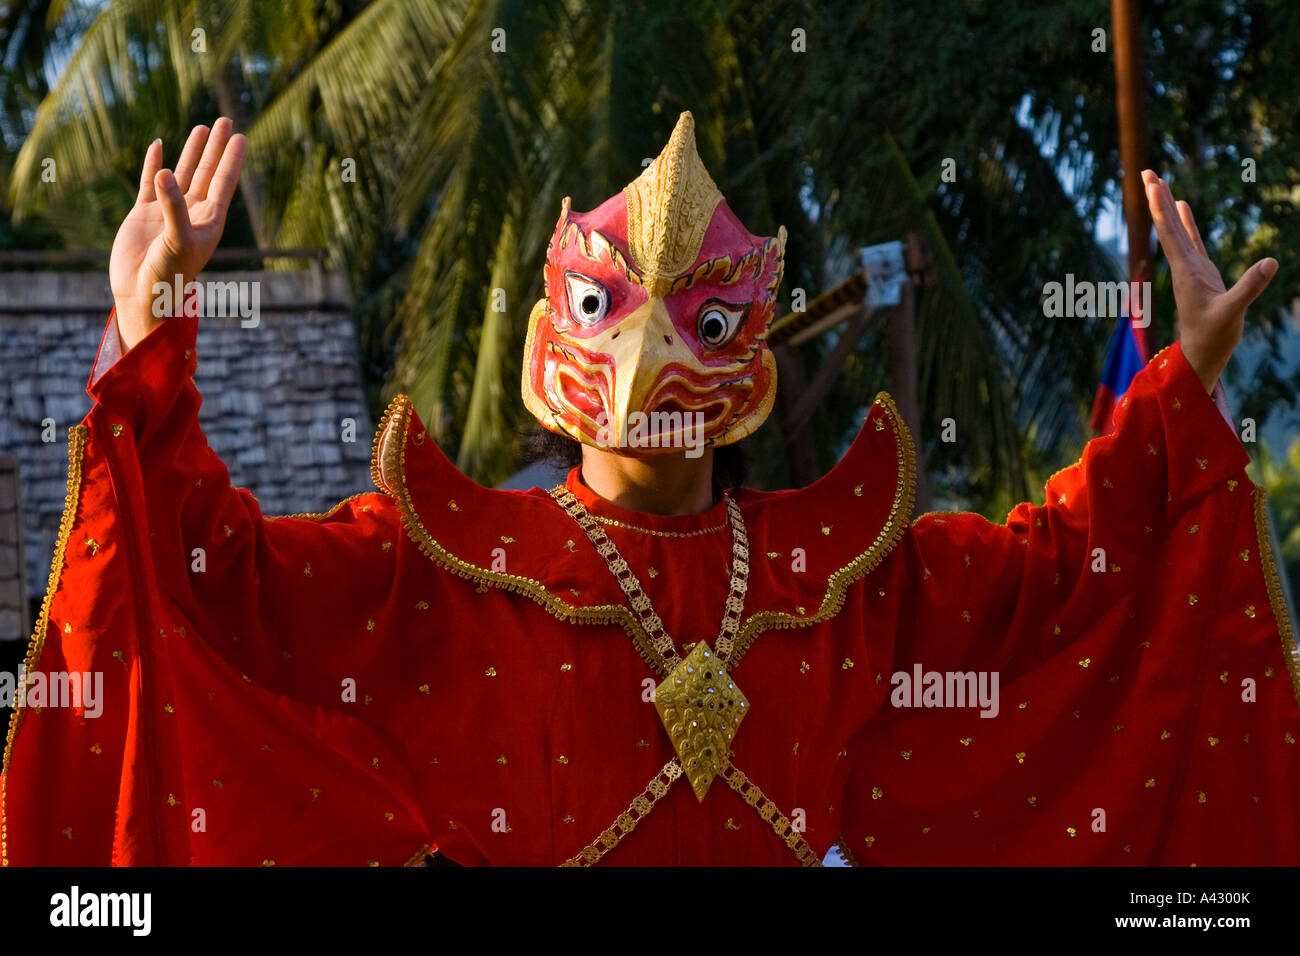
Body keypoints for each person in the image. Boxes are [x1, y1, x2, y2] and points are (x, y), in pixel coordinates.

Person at [2, 113, 1296, 867]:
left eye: (707, 324)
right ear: (555, 337)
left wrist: (1179, 381)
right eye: (611, 313)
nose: (658, 357)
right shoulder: (444, 569)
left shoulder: (849, 579)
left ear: (756, 345)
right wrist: (149, 321)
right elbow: (211, 582)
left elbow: (1073, 578)